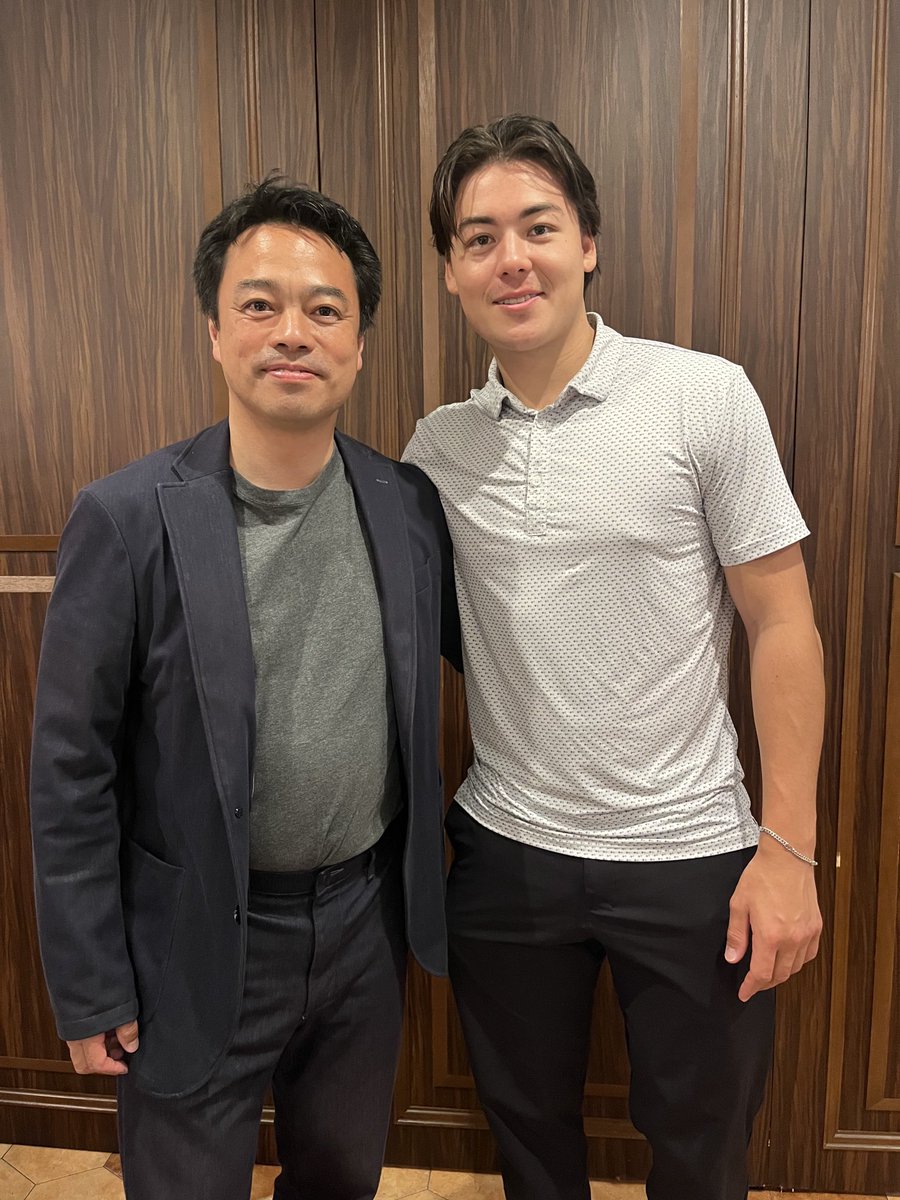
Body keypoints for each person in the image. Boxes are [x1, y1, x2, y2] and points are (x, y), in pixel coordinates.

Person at [403, 115, 824, 1200]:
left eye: (537, 227)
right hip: (505, 853)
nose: (512, 258)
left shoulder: (703, 396)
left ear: (587, 242)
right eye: (478, 236)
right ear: (451, 270)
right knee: (528, 1139)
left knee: (701, 1150)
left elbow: (783, 622)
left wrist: (788, 849)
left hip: (693, 855)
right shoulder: (436, 448)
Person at [30, 175, 460, 1200]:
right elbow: (69, 769)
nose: (292, 333)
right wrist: (89, 983)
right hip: (192, 935)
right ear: (214, 334)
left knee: (340, 1179)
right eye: (259, 305)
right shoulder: (128, 517)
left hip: (362, 930)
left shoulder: (405, 505)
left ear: (359, 342)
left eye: (325, 310)